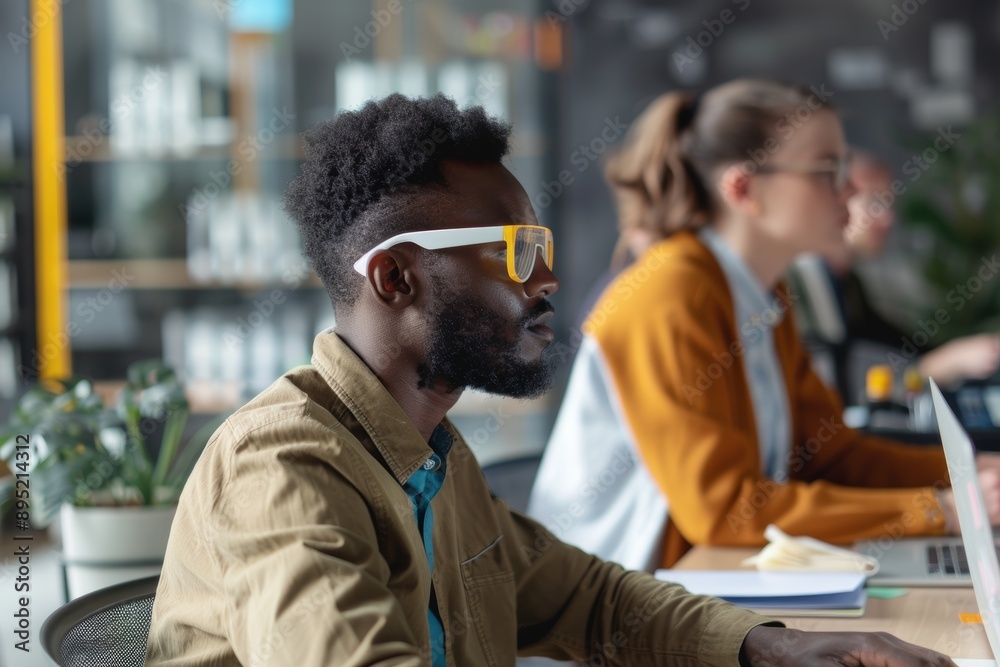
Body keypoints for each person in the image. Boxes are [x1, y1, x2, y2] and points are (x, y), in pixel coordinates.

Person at [143, 93, 960, 666]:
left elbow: (592, 601)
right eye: (517, 251)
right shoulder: (282, 469)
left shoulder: (433, 456)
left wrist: (770, 644)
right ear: (395, 279)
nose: (550, 281)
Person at [528, 79, 1000, 573]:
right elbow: (726, 510)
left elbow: (831, 456)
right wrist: (941, 509)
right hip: (608, 619)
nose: (850, 191)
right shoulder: (669, 293)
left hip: (704, 581)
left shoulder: (763, 293)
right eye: (827, 170)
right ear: (744, 188)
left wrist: (964, 474)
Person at [788, 150, 1000, 401]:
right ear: (838, 199)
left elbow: (898, 345)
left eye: (889, 204)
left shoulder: (848, 284)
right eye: (875, 203)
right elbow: (841, 384)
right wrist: (937, 367)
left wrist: (964, 353)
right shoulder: (801, 282)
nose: (888, 218)